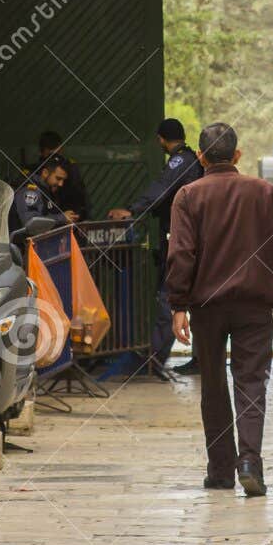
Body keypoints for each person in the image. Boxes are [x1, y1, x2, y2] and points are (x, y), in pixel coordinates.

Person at [166, 122, 273, 496]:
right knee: (251, 384)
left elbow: (181, 254)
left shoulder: (188, 196)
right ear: (237, 155)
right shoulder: (263, 192)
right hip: (254, 306)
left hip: (207, 308)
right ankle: (250, 463)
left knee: (214, 386)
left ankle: (220, 470)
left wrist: (178, 305)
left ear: (200, 157)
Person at [107, 118, 202, 372]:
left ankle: (155, 360)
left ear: (162, 139)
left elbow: (161, 189)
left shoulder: (180, 161)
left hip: (182, 240)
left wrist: (132, 210)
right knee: (196, 298)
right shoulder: (191, 159)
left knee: (166, 296)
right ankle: (198, 360)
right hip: (191, 239)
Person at [24, 129, 91, 219]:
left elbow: (80, 199)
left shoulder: (70, 169)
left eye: (58, 153)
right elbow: (31, 218)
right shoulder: (33, 173)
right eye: (51, 155)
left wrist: (77, 216)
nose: (56, 159)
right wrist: (60, 218)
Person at [10, 156, 74, 234]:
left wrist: (65, 219)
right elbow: (29, 222)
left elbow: (46, 214)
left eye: (63, 180)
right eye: (58, 178)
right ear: (45, 173)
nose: (61, 184)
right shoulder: (31, 191)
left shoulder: (47, 189)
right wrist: (61, 218)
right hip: (23, 244)